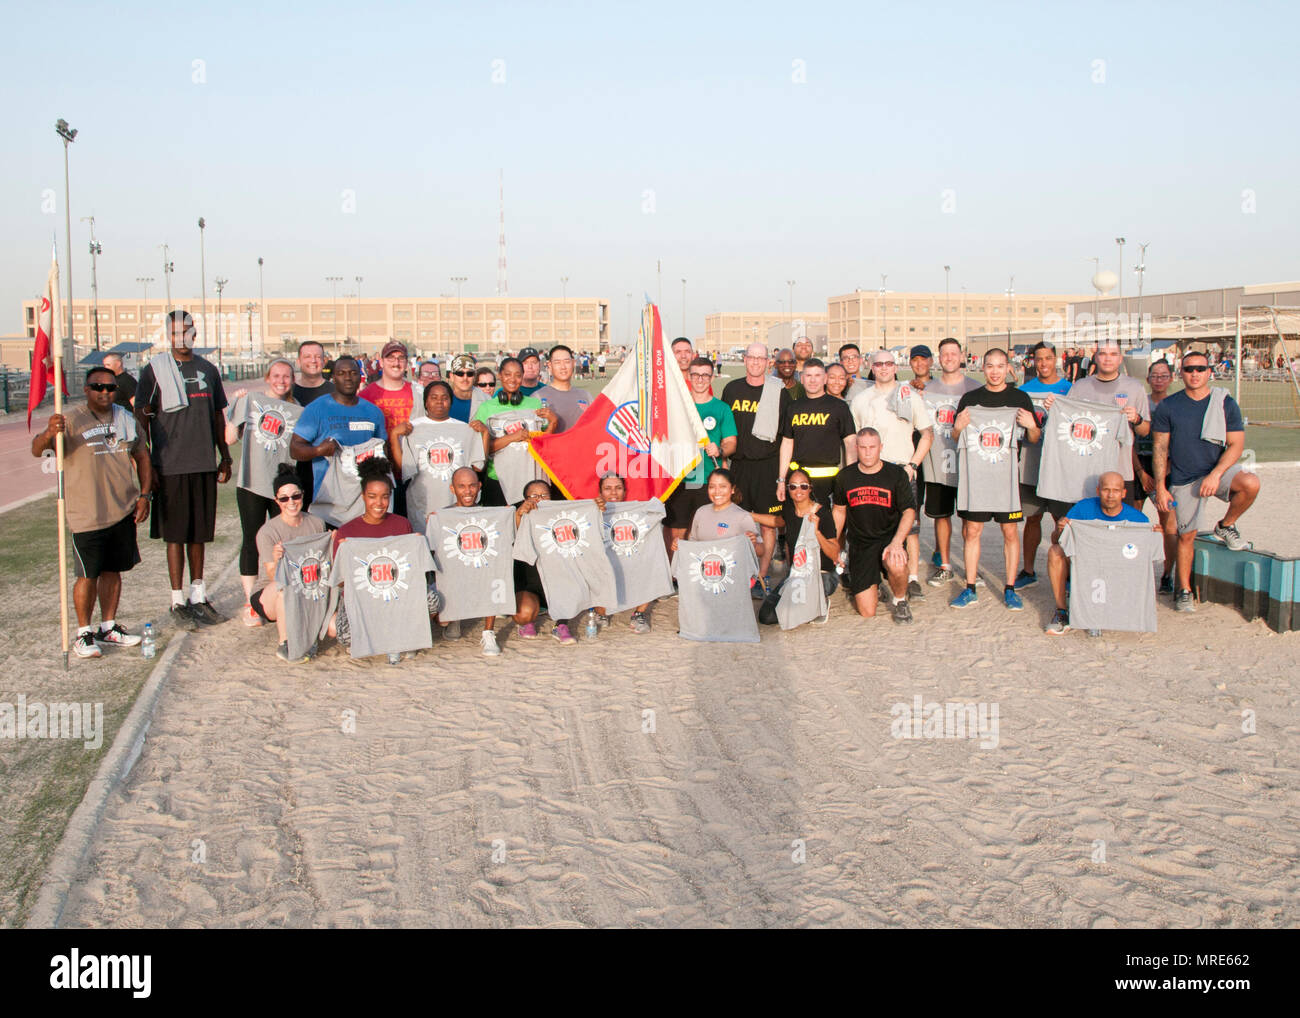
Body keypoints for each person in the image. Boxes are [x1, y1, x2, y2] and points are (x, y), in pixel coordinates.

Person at [31, 366, 152, 657]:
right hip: (86, 512)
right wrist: (50, 432)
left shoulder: (124, 417)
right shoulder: (69, 419)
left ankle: (108, 627)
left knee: (113, 571)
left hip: (121, 508)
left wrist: (145, 494)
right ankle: (83, 633)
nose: (105, 392)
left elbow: (142, 455)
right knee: (88, 574)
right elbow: (38, 450)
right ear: (87, 390)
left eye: (110, 387)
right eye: (98, 387)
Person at [134, 309, 232, 629]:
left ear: (195, 333)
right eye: (176, 331)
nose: (183, 337)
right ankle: (177, 599)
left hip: (203, 461)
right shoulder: (155, 370)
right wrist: (148, 459)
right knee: (175, 535)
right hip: (170, 464)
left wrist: (225, 455)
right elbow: (141, 415)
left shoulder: (208, 369)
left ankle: (198, 594)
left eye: (188, 330)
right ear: (168, 334)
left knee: (198, 534)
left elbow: (218, 416)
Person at [1152, 350, 1261, 613]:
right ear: (1182, 373)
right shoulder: (1169, 406)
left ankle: (1226, 525)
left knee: (1250, 483)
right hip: (1184, 479)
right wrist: (1160, 487)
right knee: (1186, 536)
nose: (1195, 374)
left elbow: (1236, 445)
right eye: (1189, 369)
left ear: (1209, 372)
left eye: (1200, 369)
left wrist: (1215, 474)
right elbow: (1159, 448)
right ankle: (1184, 590)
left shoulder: (1224, 403)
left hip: (1216, 472)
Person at [949, 348, 1040, 610]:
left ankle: (1010, 588)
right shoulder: (970, 398)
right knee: (972, 531)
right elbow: (957, 438)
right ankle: (969, 587)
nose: (995, 371)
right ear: (983, 367)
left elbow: (1033, 439)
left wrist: (1033, 426)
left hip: (1007, 480)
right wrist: (957, 428)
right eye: (990, 366)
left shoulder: (1020, 398)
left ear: (1008, 368)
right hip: (976, 479)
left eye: (1000, 366)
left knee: (1010, 532)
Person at [326, 456, 444, 646]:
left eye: (385, 496)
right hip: (365, 596)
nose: (379, 503)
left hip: (397, 593)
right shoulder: (346, 532)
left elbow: (413, 570)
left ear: (390, 496)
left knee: (432, 600)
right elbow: (341, 583)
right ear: (363, 496)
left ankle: (404, 634)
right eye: (372, 496)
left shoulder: (401, 524)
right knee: (340, 634)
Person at [849, 349, 933, 600]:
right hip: (870, 472)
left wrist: (913, 465)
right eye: (878, 364)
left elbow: (927, 434)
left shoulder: (909, 395)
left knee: (910, 529)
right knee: (870, 528)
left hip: (901, 470)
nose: (884, 368)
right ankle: (875, 577)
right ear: (871, 367)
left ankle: (913, 578)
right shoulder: (861, 399)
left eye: (888, 363)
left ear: (896, 367)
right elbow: (854, 439)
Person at [225, 358, 302, 626]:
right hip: (252, 482)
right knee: (251, 540)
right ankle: (251, 602)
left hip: (283, 488)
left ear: (293, 380)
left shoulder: (298, 411)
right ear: (267, 377)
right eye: (276, 375)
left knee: (284, 543)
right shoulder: (252, 401)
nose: (281, 380)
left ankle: (283, 595)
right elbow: (229, 438)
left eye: (286, 376)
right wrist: (237, 402)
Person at [434, 467, 542, 655]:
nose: (468, 491)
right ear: (452, 489)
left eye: (472, 486)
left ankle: (488, 631)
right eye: (461, 486)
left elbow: (512, 531)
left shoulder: (491, 514)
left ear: (480, 486)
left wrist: (516, 515)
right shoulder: (441, 516)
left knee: (493, 571)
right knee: (441, 604)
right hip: (459, 571)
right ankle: (455, 618)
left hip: (484, 570)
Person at [1044, 471, 1157, 635]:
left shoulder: (1138, 520)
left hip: (1117, 572)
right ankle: (1062, 612)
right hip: (1084, 565)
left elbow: (1145, 558)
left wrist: (1154, 536)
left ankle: (1119, 606)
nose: (1110, 495)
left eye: (1116, 490)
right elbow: (1056, 540)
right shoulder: (1083, 509)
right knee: (1055, 551)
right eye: (1106, 490)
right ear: (1098, 491)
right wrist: (1060, 529)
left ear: (1124, 493)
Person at [722, 341, 791, 583]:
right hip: (740, 465)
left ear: (767, 362)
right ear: (745, 360)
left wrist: (782, 478)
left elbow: (786, 438)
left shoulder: (778, 391)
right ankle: (743, 571)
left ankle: (762, 574)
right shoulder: (731, 390)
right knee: (739, 521)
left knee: (768, 525)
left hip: (767, 465)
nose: (755, 362)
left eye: (760, 358)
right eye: (751, 357)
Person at [831, 428, 916, 623]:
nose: (868, 452)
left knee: (897, 563)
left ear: (880, 448)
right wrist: (834, 544)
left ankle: (900, 600)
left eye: (872, 447)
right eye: (863, 447)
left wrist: (897, 542)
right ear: (857, 448)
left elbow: (909, 512)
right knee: (867, 611)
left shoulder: (896, 475)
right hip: (861, 545)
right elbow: (839, 511)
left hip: (889, 540)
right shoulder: (845, 477)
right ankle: (873, 583)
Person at [248, 466, 328, 661]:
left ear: (303, 495)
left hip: (306, 585)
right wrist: (276, 559)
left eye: (295, 496)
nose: (291, 502)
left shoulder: (317, 523)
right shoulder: (268, 532)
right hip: (270, 593)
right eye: (284, 498)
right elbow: (272, 576)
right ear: (276, 501)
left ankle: (308, 631)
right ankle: (286, 643)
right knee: (286, 587)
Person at [921, 338, 981, 586]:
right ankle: (945, 564)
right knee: (941, 516)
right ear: (938, 358)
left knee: (970, 522)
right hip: (938, 463)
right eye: (944, 354)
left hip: (968, 464)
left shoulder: (975, 389)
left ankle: (971, 571)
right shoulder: (927, 390)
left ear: (961, 356)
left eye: (953, 353)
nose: (948, 358)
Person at [1015, 341, 1074, 590]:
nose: (1044, 364)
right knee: (1032, 518)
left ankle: (1069, 573)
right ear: (1033, 362)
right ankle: (1028, 570)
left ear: (1056, 360)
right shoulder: (1024, 391)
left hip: (1061, 468)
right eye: (1039, 359)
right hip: (1032, 464)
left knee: (1064, 520)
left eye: (1048, 358)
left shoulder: (1071, 390)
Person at [290, 355, 387, 502]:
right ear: (333, 378)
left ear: (360, 376)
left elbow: (384, 448)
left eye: (353, 373)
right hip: (330, 501)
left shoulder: (373, 412)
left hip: (365, 501)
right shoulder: (317, 408)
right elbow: (294, 449)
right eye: (341, 373)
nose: (348, 377)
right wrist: (318, 450)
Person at [666, 357, 737, 553]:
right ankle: (676, 577)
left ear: (712, 378)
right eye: (696, 374)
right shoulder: (677, 406)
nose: (700, 379)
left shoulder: (721, 408)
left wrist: (720, 450)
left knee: (705, 530)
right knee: (677, 532)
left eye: (705, 375)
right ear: (689, 376)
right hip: (679, 479)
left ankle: (702, 575)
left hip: (708, 480)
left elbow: (731, 442)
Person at [752, 468, 841, 625]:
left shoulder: (823, 513)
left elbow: (834, 554)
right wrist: (750, 516)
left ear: (810, 488)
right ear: (788, 489)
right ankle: (812, 605)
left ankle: (820, 603)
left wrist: (817, 532)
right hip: (797, 575)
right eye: (793, 486)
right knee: (767, 616)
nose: (798, 490)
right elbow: (776, 522)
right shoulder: (789, 510)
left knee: (798, 606)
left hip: (821, 574)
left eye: (803, 486)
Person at [391, 380, 485, 526]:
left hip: (455, 504)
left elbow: (478, 466)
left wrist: (485, 433)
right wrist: (394, 435)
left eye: (445, 398)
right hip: (423, 505)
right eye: (434, 397)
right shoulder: (412, 428)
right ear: (426, 402)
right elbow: (403, 467)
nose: (439, 402)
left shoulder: (464, 429)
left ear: (451, 401)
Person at [472, 357, 557, 506]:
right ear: (500, 376)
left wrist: (553, 422)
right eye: (507, 374)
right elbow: (482, 452)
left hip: (529, 478)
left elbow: (544, 444)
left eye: (518, 375)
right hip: (498, 481)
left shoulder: (534, 403)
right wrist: (512, 437)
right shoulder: (486, 408)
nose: (513, 379)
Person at [777, 359, 857, 508]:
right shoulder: (793, 407)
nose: (813, 380)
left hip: (829, 481)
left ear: (825, 378)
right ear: (801, 378)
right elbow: (787, 443)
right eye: (808, 375)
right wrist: (781, 480)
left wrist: (850, 478)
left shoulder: (839, 407)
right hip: (798, 480)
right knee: (798, 526)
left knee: (829, 527)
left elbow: (850, 443)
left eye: (817, 375)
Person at [592, 472, 664, 634]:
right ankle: (599, 612)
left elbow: (658, 511)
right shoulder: (592, 510)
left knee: (653, 562)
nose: (613, 493)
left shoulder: (638, 510)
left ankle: (639, 613)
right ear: (600, 492)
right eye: (608, 488)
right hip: (606, 565)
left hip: (631, 561)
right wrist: (593, 510)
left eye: (618, 488)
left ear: (624, 491)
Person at [1133, 359, 1178, 593]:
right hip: (1139, 464)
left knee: (1168, 523)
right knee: (1131, 520)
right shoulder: (1142, 403)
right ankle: (1132, 568)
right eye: (1155, 376)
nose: (1159, 380)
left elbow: (1179, 441)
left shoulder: (1176, 404)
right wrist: (1140, 472)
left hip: (1167, 468)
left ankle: (1167, 574)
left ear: (1171, 378)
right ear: (1148, 379)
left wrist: (1165, 470)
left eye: (1163, 375)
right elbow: (1128, 439)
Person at [674, 468, 762, 556]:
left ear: (732, 489)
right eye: (712, 487)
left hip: (733, 568)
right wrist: (680, 545)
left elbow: (761, 551)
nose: (717, 491)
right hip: (704, 567)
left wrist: (754, 545)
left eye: (723, 486)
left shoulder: (742, 517)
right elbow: (693, 545)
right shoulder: (700, 512)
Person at [534, 345, 591, 433]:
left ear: (573, 363)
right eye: (557, 362)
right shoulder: (538, 397)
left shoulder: (586, 396)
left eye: (567, 362)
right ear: (550, 365)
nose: (563, 367)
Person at [446, 354, 488, 423]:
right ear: (451, 376)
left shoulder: (486, 400)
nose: (465, 378)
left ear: (474, 377)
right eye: (460, 374)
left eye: (470, 374)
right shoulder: (441, 401)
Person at [293, 341, 334, 406]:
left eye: (317, 357)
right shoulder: (289, 392)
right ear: (298, 362)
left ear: (323, 362)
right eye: (307, 356)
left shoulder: (336, 393)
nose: (313, 361)